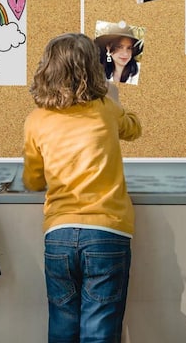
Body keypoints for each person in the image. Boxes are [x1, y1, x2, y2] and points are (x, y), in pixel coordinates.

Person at [22, 33, 142, 343]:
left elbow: (33, 180)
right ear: (94, 68)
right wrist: (115, 99)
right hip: (107, 231)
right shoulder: (105, 109)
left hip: (59, 234)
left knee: (62, 327)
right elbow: (134, 129)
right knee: (99, 330)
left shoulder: (36, 120)